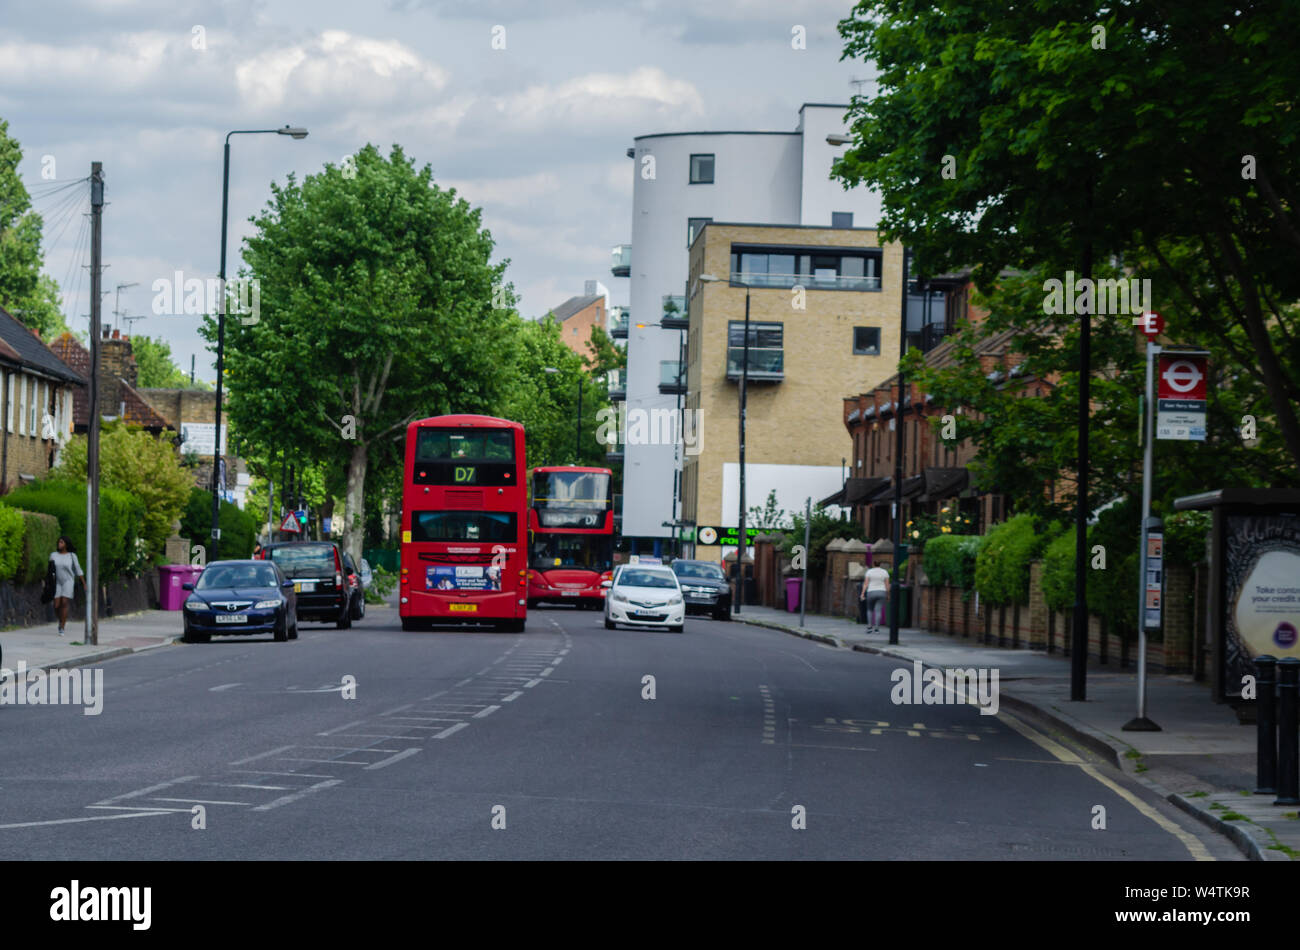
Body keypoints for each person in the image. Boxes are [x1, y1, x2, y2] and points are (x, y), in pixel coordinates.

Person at [49, 535, 86, 637]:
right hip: (57, 582)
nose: (59, 544)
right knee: (56, 605)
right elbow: (50, 569)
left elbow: (78, 569)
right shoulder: (53, 555)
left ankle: (62, 627)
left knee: (64, 602)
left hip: (68, 581)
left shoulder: (72, 556)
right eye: (59, 542)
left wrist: (84, 583)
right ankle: (61, 620)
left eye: (61, 542)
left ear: (66, 544)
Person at [860, 560, 891, 635]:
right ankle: (877, 628)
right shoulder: (884, 572)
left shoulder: (869, 572)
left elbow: (865, 584)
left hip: (871, 592)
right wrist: (888, 595)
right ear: (880, 565)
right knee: (878, 611)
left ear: (873, 564)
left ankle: (869, 627)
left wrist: (862, 593)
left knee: (870, 610)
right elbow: (887, 585)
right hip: (881, 592)